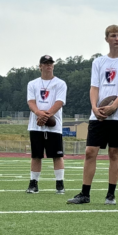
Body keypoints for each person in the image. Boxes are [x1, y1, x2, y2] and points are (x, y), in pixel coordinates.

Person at [67, 25, 118, 206]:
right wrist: (94, 107)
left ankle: (110, 194)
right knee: (90, 151)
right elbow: (94, 87)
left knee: (114, 153)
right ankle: (85, 194)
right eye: (113, 36)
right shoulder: (98, 62)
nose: (117, 39)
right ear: (106, 39)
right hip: (98, 115)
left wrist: (113, 107)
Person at [26, 55, 68, 194]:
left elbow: (59, 102)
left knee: (57, 155)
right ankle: (33, 183)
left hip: (54, 125)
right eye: (45, 63)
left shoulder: (60, 83)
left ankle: (60, 184)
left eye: (50, 63)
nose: (48, 65)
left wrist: (46, 115)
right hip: (36, 125)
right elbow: (31, 102)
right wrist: (39, 113)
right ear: (40, 66)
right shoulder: (33, 84)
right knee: (36, 155)